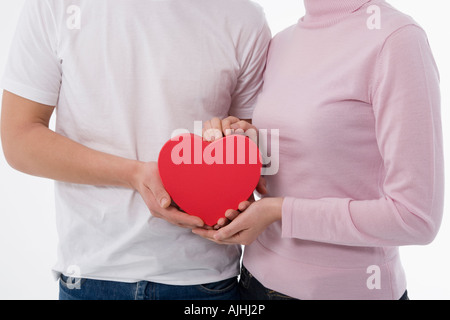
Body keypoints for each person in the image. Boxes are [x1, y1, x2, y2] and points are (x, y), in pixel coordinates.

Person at [1, 0, 271, 300]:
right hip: (92, 275)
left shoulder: (243, 16)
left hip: (206, 280)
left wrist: (236, 156)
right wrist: (134, 175)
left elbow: (246, 156)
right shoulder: (55, 5)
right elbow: (19, 138)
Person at [196, 0, 444, 300]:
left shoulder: (396, 39)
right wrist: (245, 143)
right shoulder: (283, 41)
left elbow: (415, 218)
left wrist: (279, 212)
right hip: (252, 284)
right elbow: (304, 161)